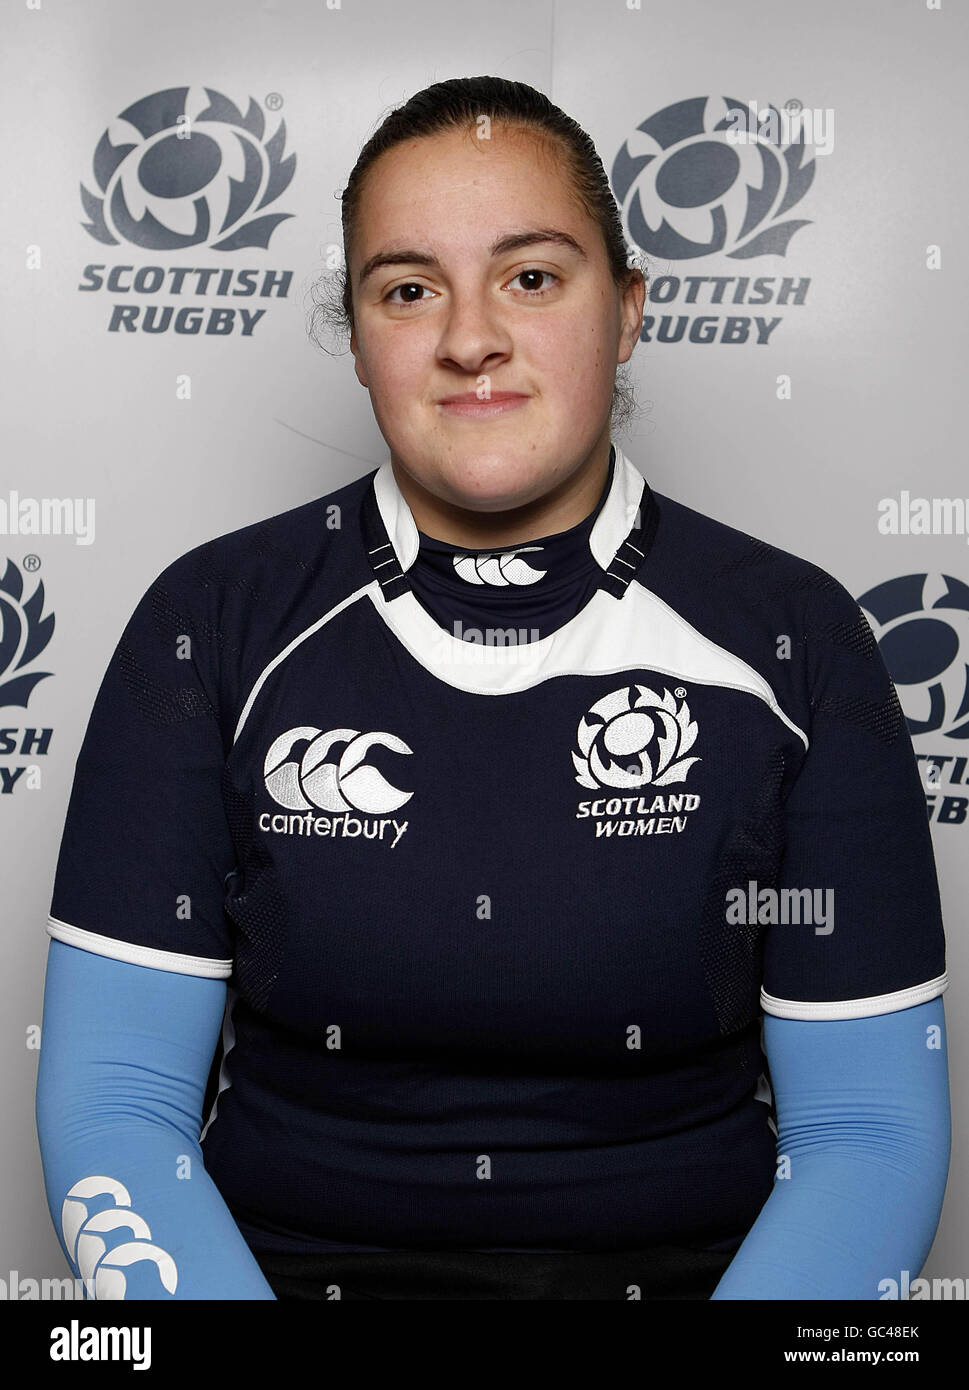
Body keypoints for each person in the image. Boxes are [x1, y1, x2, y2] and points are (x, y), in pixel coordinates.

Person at [36, 75, 950, 1302]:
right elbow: (115, 1104)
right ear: (358, 335)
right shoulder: (210, 626)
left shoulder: (798, 644)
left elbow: (868, 1137)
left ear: (627, 311)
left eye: (532, 276)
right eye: (408, 289)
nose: (471, 336)